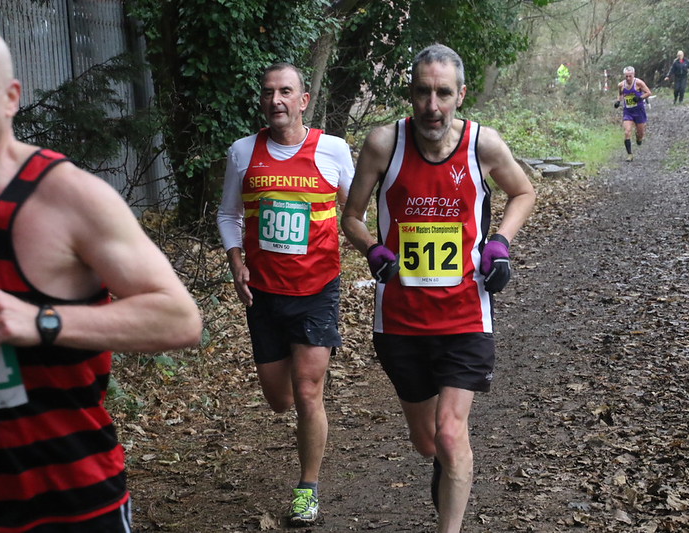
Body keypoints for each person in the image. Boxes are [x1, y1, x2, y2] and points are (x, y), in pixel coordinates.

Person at [0, 16, 203, 533]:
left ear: (9, 98)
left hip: (71, 507)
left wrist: (43, 322)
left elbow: (179, 319)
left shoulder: (68, 197)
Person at [341, 44, 536, 533]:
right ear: (411, 93)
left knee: (450, 435)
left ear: (460, 95)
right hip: (401, 320)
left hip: (467, 314)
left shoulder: (482, 145)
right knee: (428, 442)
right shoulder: (384, 144)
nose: (433, 105)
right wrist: (372, 248)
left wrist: (500, 244)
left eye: (443, 93)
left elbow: (525, 191)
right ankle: (448, 467)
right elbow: (351, 216)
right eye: (424, 92)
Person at [216, 63, 353, 526]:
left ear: (303, 100)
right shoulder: (242, 152)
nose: (276, 100)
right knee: (280, 399)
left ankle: (307, 487)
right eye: (269, 92)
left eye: (285, 92)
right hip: (264, 295)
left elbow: (353, 212)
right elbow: (228, 215)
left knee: (308, 389)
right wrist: (237, 263)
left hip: (317, 289)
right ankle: (301, 410)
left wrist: (379, 254)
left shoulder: (332, 150)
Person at [614, 66, 652, 162]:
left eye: (630, 76)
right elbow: (620, 94)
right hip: (628, 111)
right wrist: (618, 101)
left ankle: (639, 138)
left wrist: (640, 98)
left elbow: (648, 93)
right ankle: (629, 154)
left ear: (633, 75)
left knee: (640, 134)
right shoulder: (621, 85)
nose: (628, 78)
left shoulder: (638, 83)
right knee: (627, 132)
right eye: (626, 76)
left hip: (639, 111)